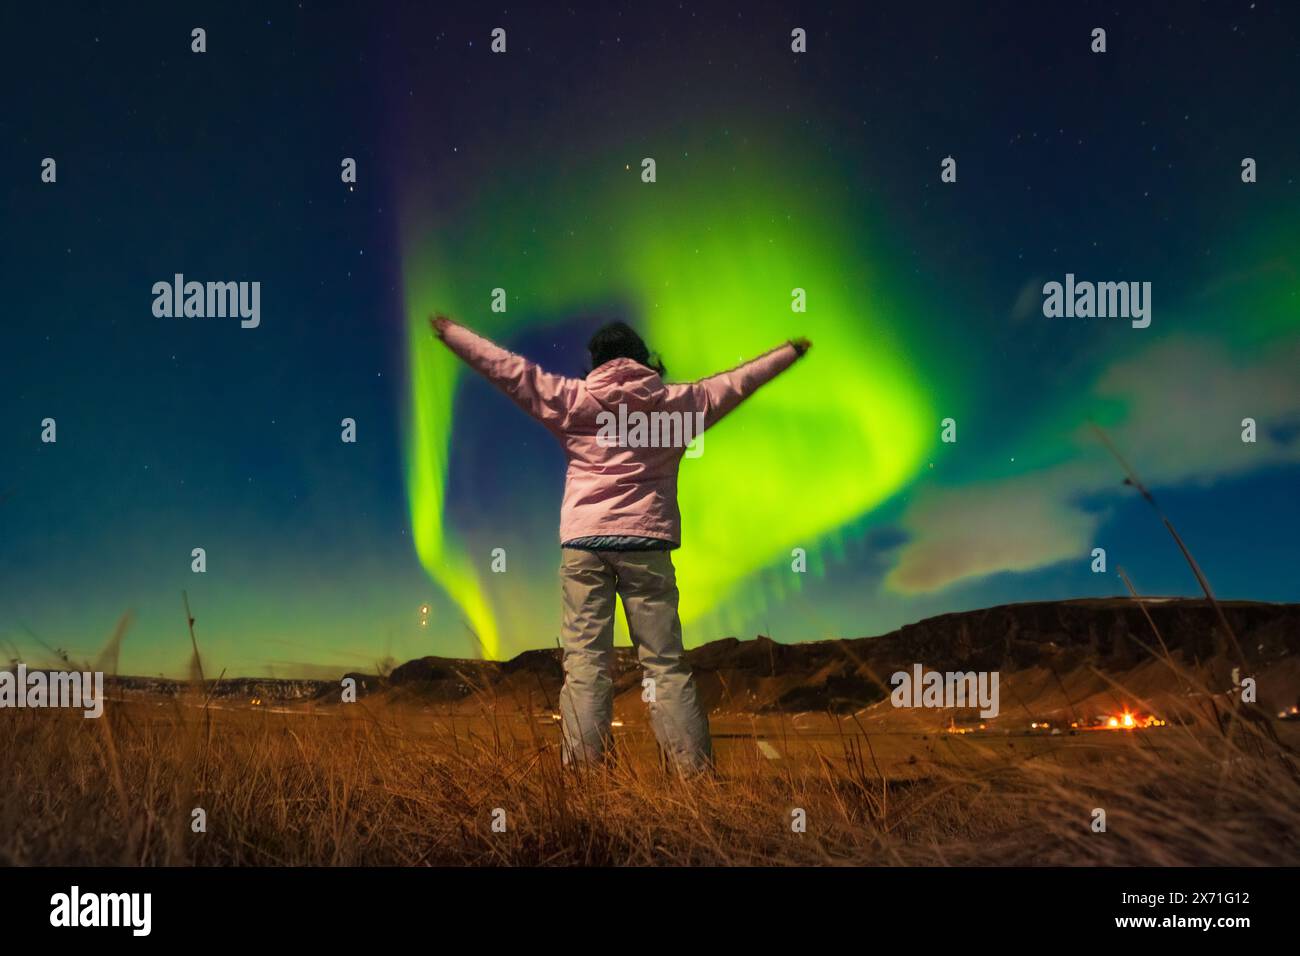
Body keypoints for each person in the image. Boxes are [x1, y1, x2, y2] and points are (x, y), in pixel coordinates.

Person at [431, 314, 810, 773]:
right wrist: (787, 354)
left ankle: (586, 780)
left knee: (587, 665)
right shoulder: (677, 405)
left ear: (597, 360)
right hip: (648, 545)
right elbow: (736, 384)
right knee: (665, 666)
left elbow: (511, 372)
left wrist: (454, 334)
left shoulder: (575, 400)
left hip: (584, 545)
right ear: (642, 356)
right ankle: (693, 782)